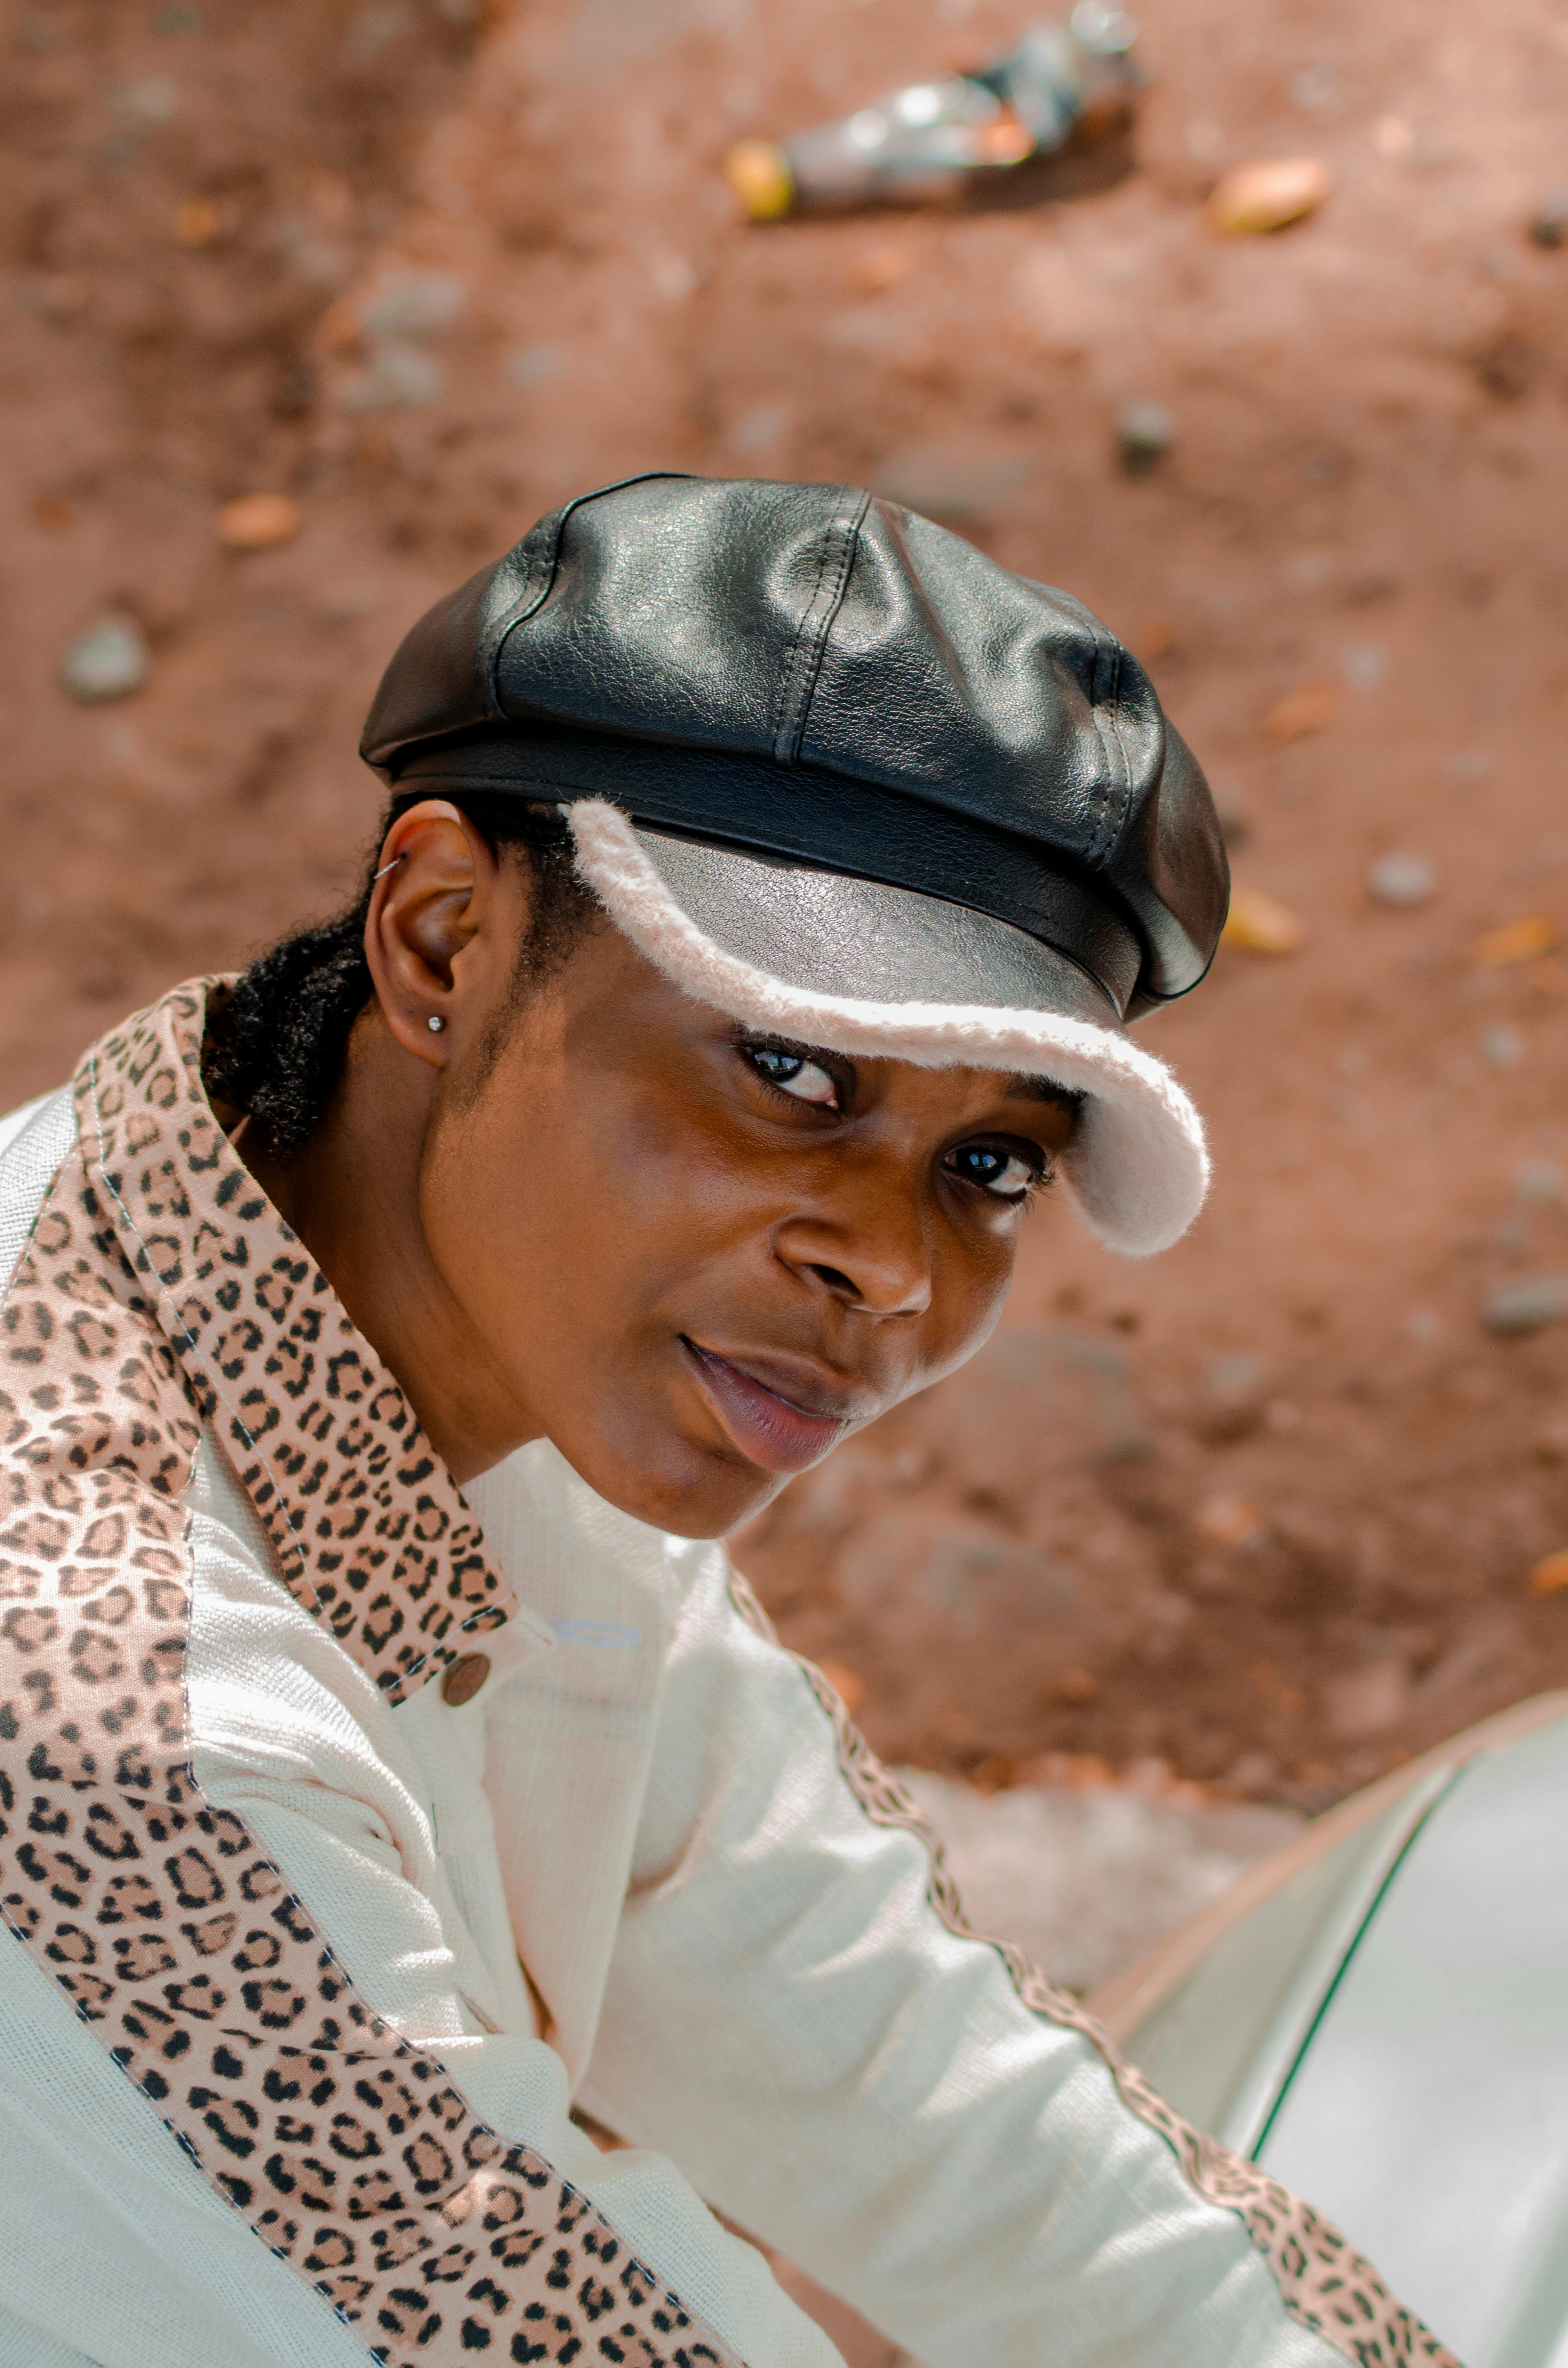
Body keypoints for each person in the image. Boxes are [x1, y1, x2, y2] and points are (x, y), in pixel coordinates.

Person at [0, 476, 1448, 2368]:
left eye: (989, 1160)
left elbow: (912, 2076)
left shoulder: (493, 1364)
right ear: (443, 935)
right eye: (791, 1066)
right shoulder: (104, 1718)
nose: (889, 1264)